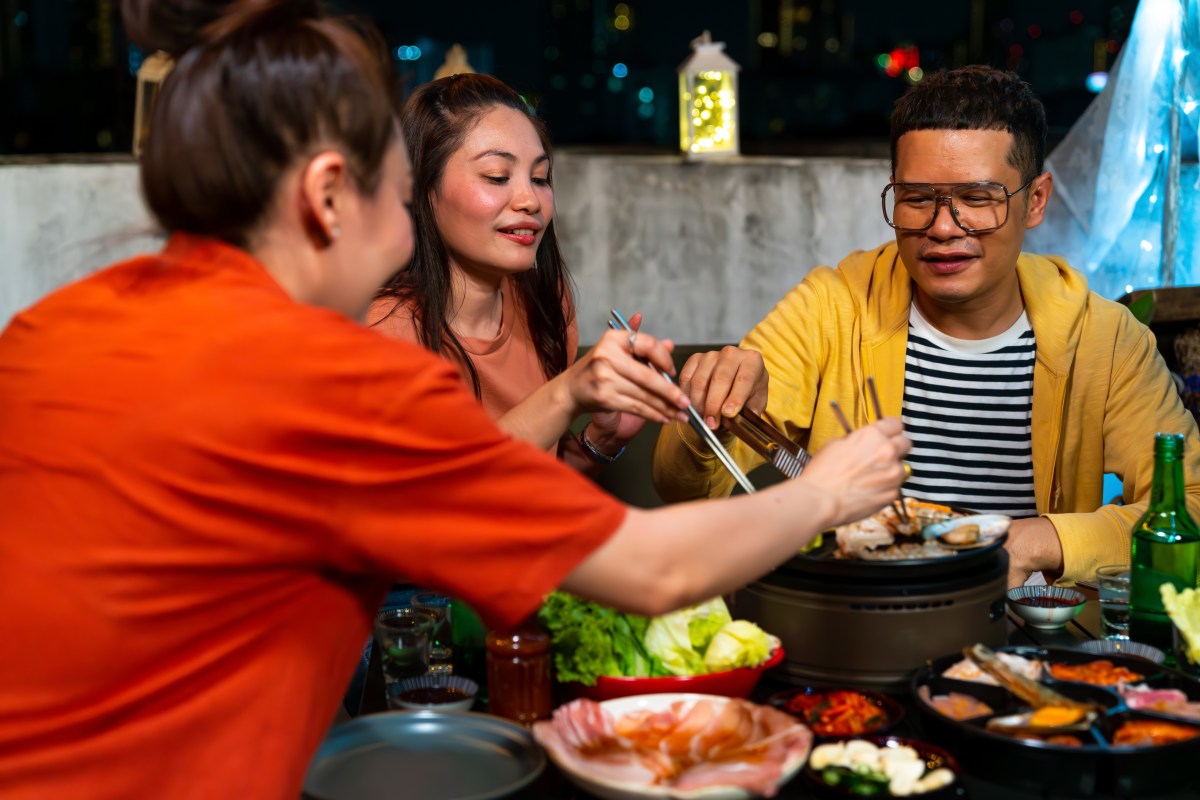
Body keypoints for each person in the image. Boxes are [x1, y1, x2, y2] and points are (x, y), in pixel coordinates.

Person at [0, 2, 909, 798]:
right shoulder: (333, 379)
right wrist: (828, 489)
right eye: (399, 200)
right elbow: (653, 572)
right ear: (327, 197)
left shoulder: (47, 329)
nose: (403, 234)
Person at [653, 65, 1200, 590]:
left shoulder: (1104, 340)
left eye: (977, 199)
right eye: (917, 199)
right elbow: (683, 491)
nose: (943, 227)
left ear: (1035, 201)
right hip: (857, 621)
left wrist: (1034, 542)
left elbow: (1191, 506)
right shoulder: (832, 308)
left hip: (1025, 639)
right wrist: (710, 419)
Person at [370, 73, 678, 472]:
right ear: (423, 189)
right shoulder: (380, 333)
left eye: (539, 178)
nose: (530, 200)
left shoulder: (545, 301)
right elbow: (438, 502)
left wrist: (603, 439)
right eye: (497, 176)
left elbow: (532, 483)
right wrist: (565, 394)